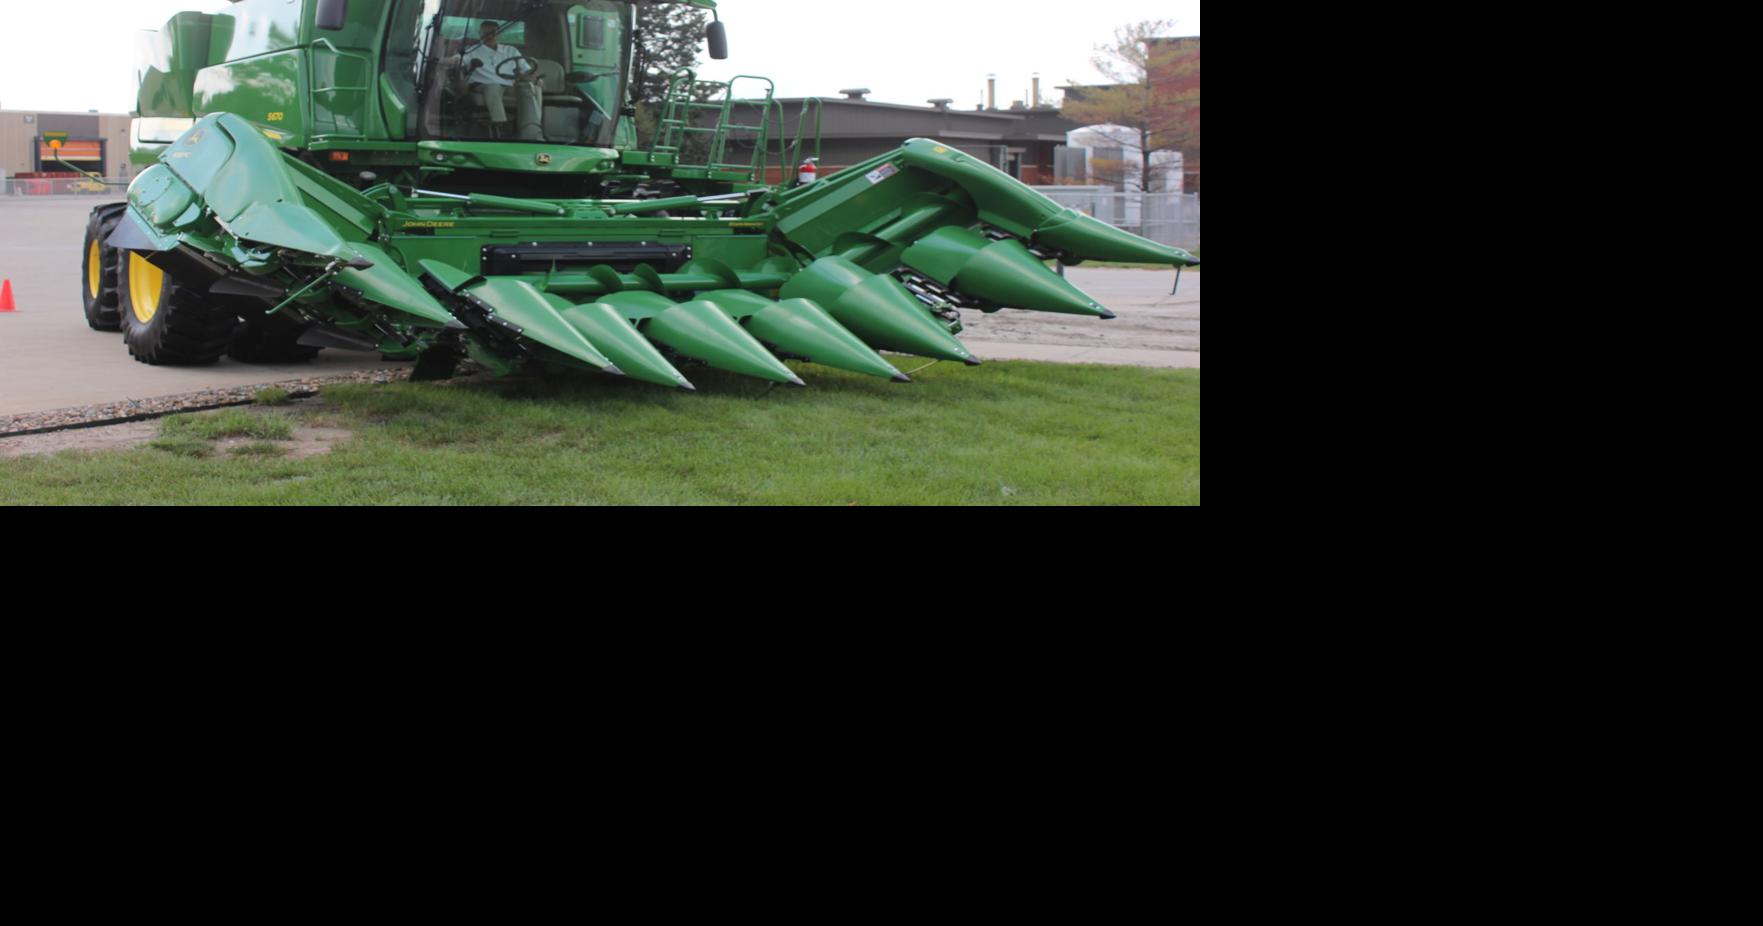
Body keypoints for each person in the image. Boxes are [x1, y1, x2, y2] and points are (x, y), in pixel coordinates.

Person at [461, 21, 543, 140]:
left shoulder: (510, 50)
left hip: (509, 86)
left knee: (534, 88)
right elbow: (458, 59)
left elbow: (526, 70)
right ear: (480, 33)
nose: (489, 36)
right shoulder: (472, 50)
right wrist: (449, 61)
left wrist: (535, 78)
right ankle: (502, 130)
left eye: (493, 33)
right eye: (486, 33)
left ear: (498, 34)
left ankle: (533, 130)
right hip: (483, 85)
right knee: (493, 87)